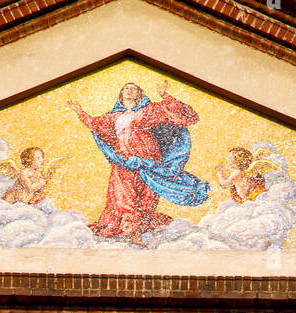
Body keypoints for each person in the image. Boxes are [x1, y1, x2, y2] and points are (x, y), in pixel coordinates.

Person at [65, 81, 209, 245]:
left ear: (140, 94)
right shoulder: (114, 117)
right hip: (124, 160)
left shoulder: (148, 111)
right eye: (126, 88)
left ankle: (136, 230)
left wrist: (164, 94)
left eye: (134, 89)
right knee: (123, 196)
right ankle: (132, 233)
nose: (129, 91)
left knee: (146, 196)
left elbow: (174, 111)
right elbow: (95, 124)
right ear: (121, 95)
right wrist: (79, 111)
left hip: (147, 159)